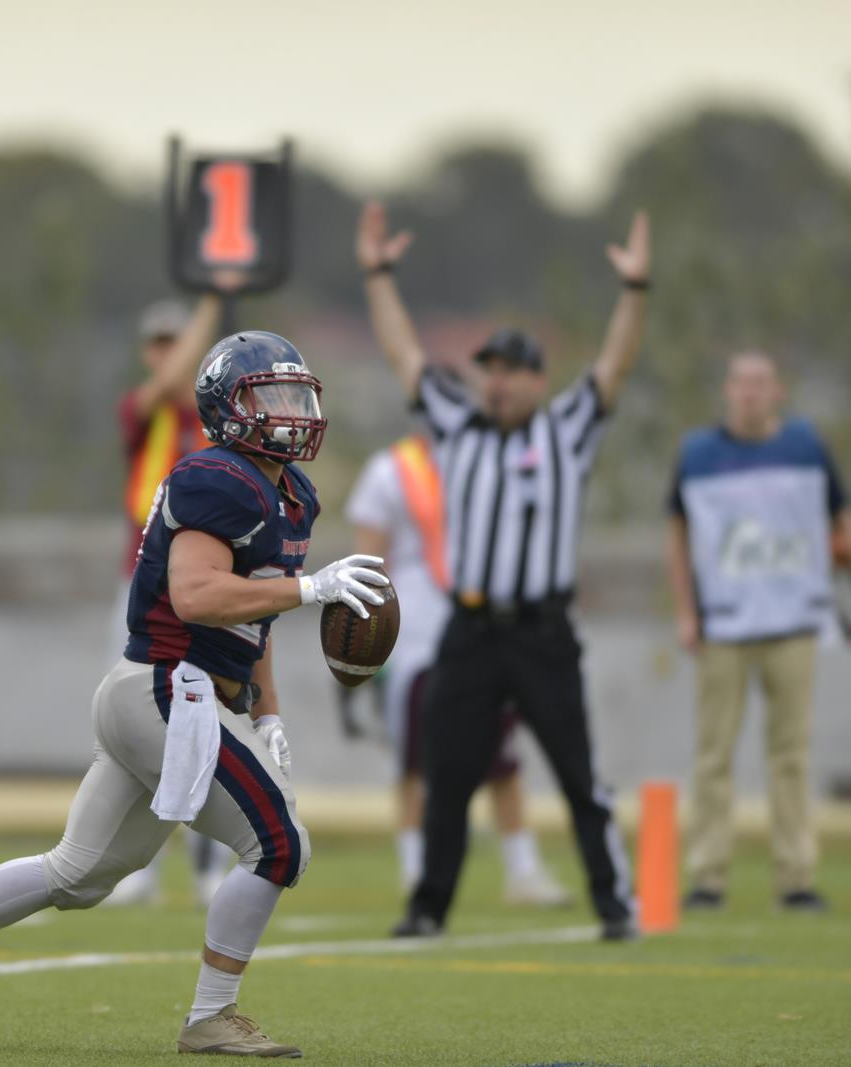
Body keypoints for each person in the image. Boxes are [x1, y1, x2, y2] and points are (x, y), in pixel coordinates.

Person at [0, 331, 389, 1057]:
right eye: (272, 396)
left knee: (77, 873)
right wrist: (308, 588)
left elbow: (254, 614)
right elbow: (199, 594)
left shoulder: (292, 494)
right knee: (279, 844)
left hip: (164, 693)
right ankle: (212, 1014)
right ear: (228, 409)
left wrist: (268, 715)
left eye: (299, 395)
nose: (292, 411)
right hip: (169, 688)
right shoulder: (219, 478)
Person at [356, 201, 651, 941]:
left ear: (537, 380)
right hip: (473, 625)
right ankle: (428, 906)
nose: (498, 383)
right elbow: (404, 356)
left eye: (513, 372)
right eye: (490, 369)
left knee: (577, 775)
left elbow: (614, 366)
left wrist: (635, 292)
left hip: (544, 630)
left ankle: (613, 902)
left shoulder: (568, 429)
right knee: (449, 775)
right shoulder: (457, 426)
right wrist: (378, 274)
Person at [666, 351, 851, 912]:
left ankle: (796, 876)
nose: (750, 393)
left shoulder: (806, 447)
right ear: (727, 390)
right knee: (714, 754)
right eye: (741, 382)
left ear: (777, 391)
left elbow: (846, 527)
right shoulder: (698, 454)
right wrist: (686, 611)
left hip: (794, 620)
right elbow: (678, 536)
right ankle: (707, 875)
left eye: (760, 383)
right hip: (725, 623)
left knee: (790, 754)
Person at [345, 435, 570, 906]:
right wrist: (367, 647)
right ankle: (415, 868)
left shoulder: (491, 463)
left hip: (480, 631)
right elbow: (368, 562)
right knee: (414, 762)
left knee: (502, 757)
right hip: (414, 639)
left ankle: (522, 869)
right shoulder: (391, 470)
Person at [105, 291, 236, 908]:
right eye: (160, 345)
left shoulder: (217, 425)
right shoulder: (144, 411)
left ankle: (207, 864)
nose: (169, 358)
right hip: (142, 585)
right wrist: (214, 305)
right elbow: (162, 386)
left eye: (175, 344)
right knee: (140, 723)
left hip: (206, 586)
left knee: (212, 724)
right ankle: (141, 870)